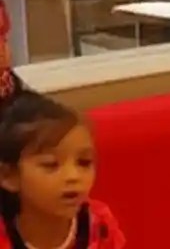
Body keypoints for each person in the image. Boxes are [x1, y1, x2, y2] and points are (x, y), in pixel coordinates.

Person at [0, 94, 124, 249]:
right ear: (9, 176)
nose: (73, 176)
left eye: (84, 163)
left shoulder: (99, 224)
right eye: (51, 165)